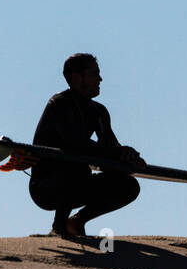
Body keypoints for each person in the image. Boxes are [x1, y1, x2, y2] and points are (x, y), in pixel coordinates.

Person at [28, 53, 145, 238]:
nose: (100, 79)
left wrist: (127, 155)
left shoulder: (99, 111)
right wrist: (114, 154)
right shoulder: (59, 104)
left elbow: (110, 145)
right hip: (45, 187)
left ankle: (76, 222)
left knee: (128, 185)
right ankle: (59, 227)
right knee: (76, 166)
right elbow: (75, 143)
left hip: (78, 183)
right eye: (94, 74)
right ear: (77, 78)